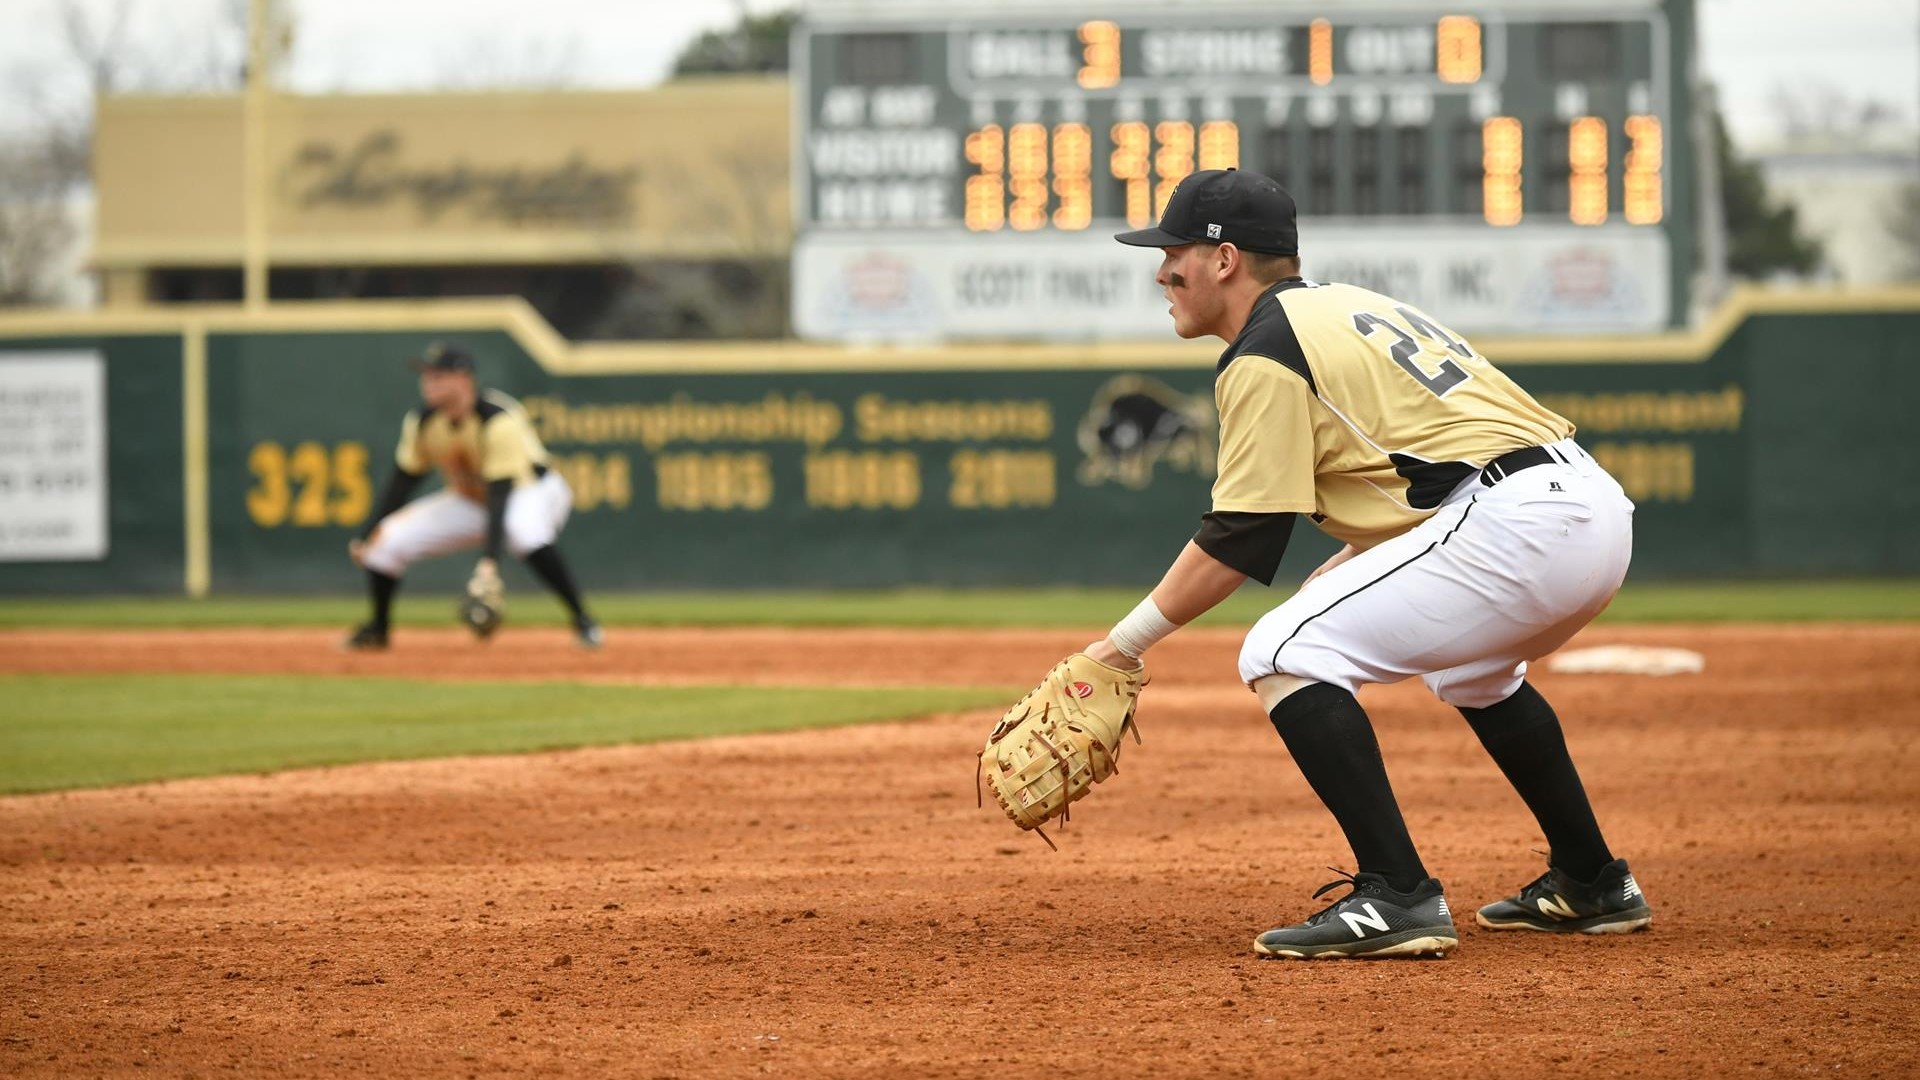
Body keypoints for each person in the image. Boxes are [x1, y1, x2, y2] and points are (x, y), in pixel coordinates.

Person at [1090, 168, 1650, 960]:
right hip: (1585, 505)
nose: (1161, 271)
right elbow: (1426, 458)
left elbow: (1240, 539)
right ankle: (1592, 880)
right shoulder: (1350, 306)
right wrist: (1360, 554)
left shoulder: (1265, 349)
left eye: (1175, 251)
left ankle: (1396, 893)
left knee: (1281, 649)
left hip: (1515, 522)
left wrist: (1117, 647)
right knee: (1477, 673)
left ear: (1224, 259)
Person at [345, 343, 602, 650]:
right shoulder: (423, 421)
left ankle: (583, 620)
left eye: (439, 376)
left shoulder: (498, 419)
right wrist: (367, 532)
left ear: (464, 379)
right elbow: (404, 480)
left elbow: (500, 494)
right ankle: (378, 628)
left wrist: (489, 564)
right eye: (426, 376)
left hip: (532, 491)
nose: (428, 383)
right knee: (385, 543)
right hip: (471, 498)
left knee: (524, 533)